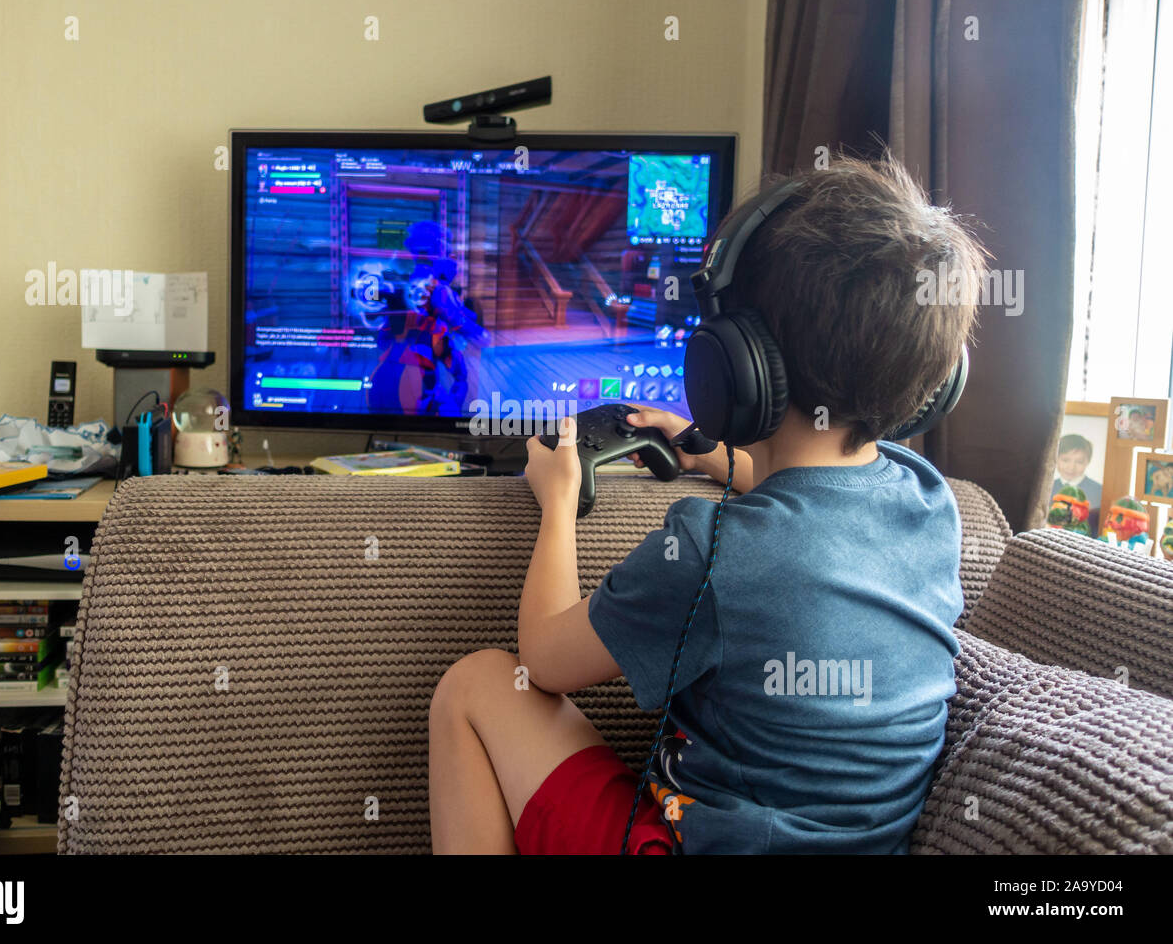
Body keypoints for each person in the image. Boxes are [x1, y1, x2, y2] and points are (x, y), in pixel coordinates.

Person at [428, 155, 982, 854]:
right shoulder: (930, 503)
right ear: (934, 381)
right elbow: (820, 512)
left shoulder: (711, 552)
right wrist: (704, 453)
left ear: (736, 366)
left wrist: (558, 503)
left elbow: (541, 659)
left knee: (475, 685)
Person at [1051, 434, 1102, 536]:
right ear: (1056, 459)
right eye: (1065, 460)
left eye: (1079, 462)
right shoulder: (1048, 488)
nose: (1071, 467)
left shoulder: (1098, 491)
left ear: (1087, 462)